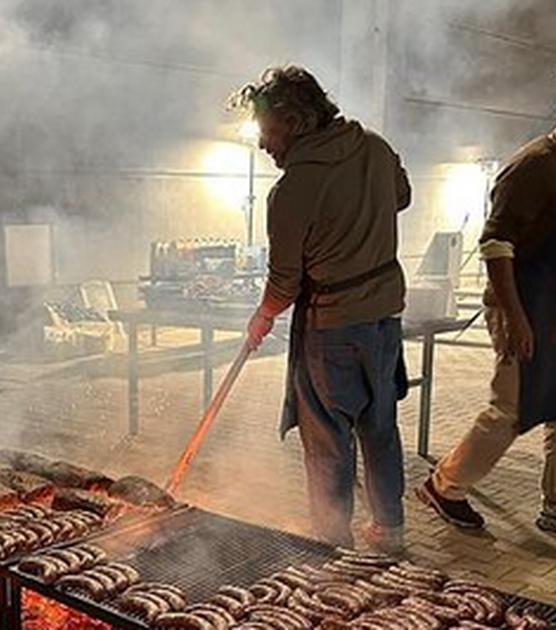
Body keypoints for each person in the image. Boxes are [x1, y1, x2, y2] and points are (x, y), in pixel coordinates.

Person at [417, 89, 556, 539]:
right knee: (511, 407)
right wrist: (514, 315)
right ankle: (444, 486)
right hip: (529, 311)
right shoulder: (534, 165)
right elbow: (496, 244)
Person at [238, 65, 412, 552]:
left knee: (327, 436)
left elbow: (285, 280)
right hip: (383, 319)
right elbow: (402, 196)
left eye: (267, 132)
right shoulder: (375, 147)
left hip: (333, 324)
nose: (263, 145)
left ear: (293, 121)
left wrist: (264, 315)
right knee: (379, 425)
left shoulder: (293, 188)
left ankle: (332, 541)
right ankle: (390, 528)